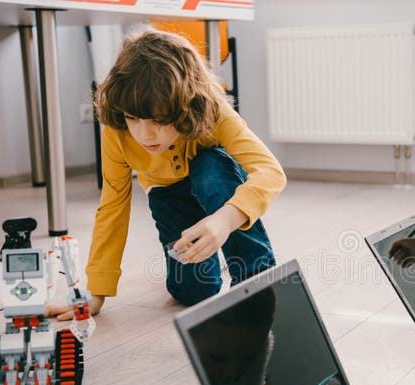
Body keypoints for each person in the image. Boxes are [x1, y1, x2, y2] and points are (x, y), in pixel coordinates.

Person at [50, 29, 286, 319]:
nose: (144, 134)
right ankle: (211, 248)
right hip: (167, 196)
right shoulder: (116, 132)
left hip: (217, 184)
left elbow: (271, 172)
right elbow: (112, 207)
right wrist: (96, 292)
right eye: (133, 118)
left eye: (160, 120)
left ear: (186, 106)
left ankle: (257, 279)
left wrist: (225, 219)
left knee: (210, 169)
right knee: (193, 293)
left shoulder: (214, 111)